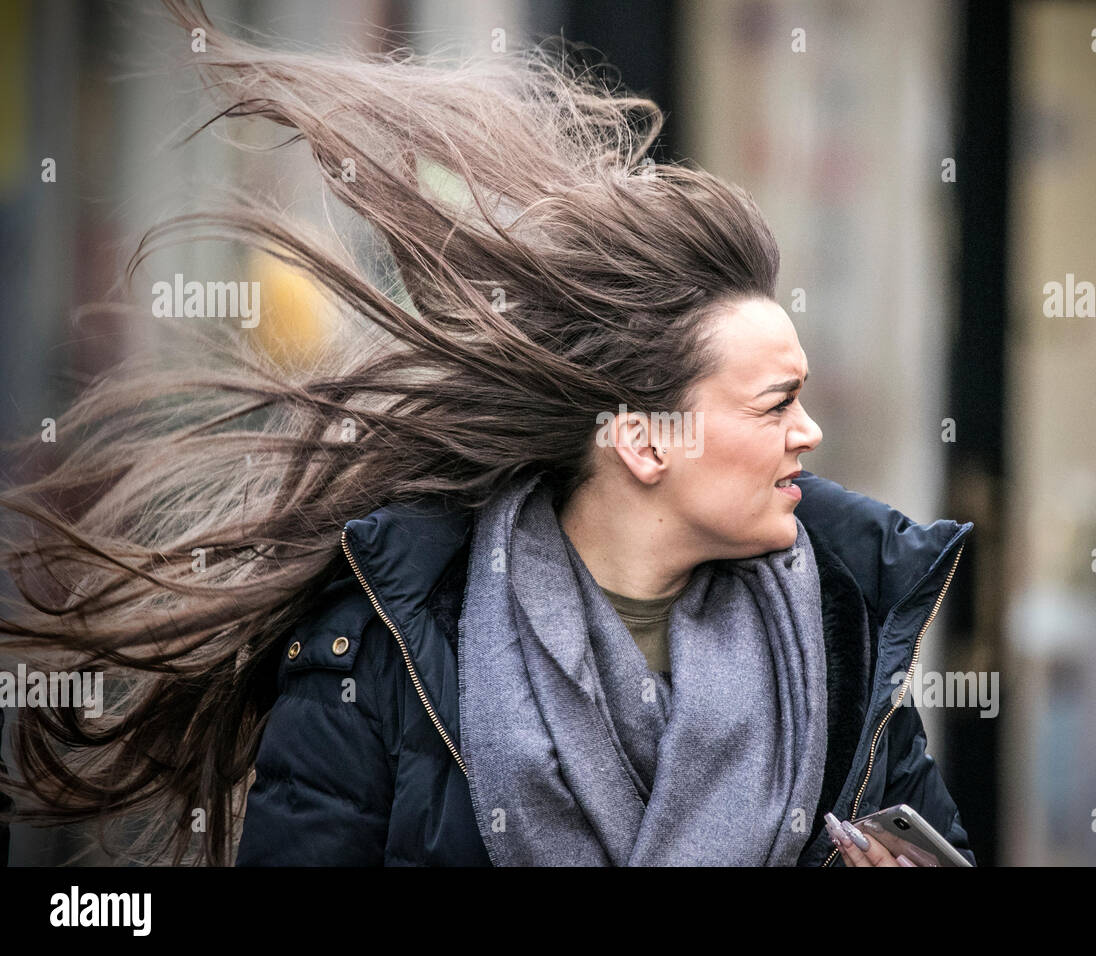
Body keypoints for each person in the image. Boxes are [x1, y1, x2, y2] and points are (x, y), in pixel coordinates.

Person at [0, 0, 974, 867]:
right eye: (774, 403)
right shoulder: (384, 643)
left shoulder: (848, 632)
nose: (809, 432)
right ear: (643, 440)